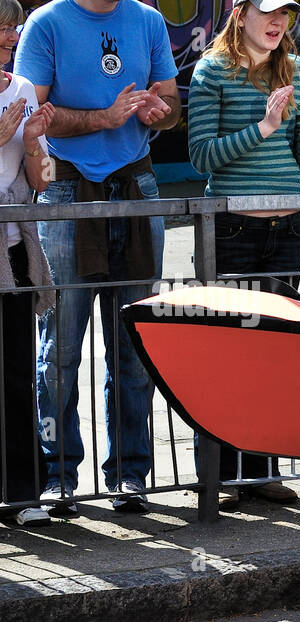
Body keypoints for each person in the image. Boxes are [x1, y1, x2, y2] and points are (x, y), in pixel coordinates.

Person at [16, 0, 179, 516]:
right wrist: (102, 118)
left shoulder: (148, 19)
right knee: (59, 350)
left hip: (138, 185)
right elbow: (32, 115)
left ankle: (130, 475)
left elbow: (171, 104)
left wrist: (160, 110)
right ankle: (57, 476)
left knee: (133, 347)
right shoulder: (46, 22)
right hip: (66, 191)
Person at [188, 0, 300, 507]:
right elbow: (201, 158)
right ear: (241, 13)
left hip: (286, 228)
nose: (278, 23)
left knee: (275, 348)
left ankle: (263, 470)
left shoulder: (296, 68)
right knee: (229, 351)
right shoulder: (212, 68)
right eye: (268, 13)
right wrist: (264, 126)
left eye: (286, 15)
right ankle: (224, 474)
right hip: (231, 230)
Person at [0, 0, 55, 527]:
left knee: (17, 373)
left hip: (13, 253)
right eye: (0, 29)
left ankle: (23, 493)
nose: (10, 37)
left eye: (13, 28)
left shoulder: (19, 89)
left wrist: (36, 141)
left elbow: (40, 182)